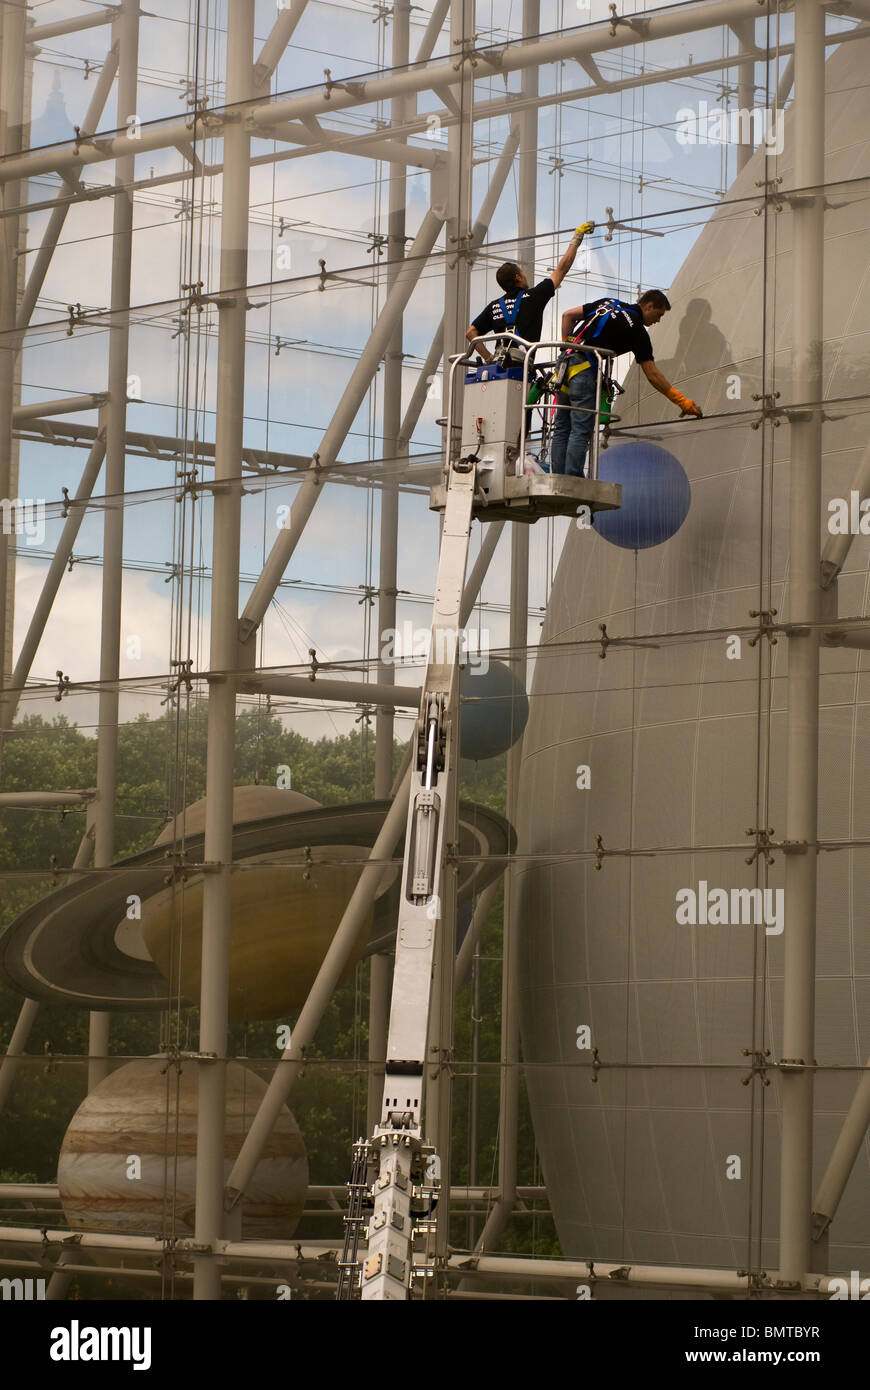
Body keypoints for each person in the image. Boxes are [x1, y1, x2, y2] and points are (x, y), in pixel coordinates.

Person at [550, 289, 703, 477]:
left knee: (562, 427)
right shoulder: (637, 330)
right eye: (659, 314)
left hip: (564, 366)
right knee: (581, 429)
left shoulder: (608, 303)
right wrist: (680, 400)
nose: (658, 320)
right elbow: (652, 374)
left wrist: (567, 347)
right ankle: (572, 478)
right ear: (649, 306)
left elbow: (567, 315)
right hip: (584, 371)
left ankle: (556, 477)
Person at [465, 221, 596, 365]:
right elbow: (562, 269)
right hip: (521, 366)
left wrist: (489, 359)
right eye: (522, 272)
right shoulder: (534, 296)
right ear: (518, 277)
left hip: (497, 366)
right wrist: (577, 239)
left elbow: (471, 333)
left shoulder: (494, 306)